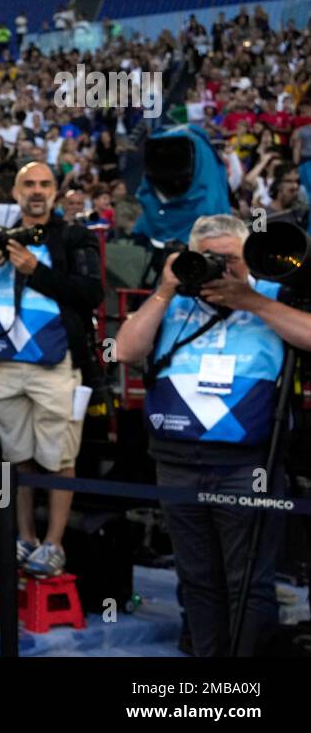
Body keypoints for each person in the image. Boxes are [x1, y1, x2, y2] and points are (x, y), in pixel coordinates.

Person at [114, 214, 311, 655]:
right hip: (177, 461)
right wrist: (165, 287)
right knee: (197, 581)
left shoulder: (273, 294)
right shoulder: (175, 301)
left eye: (232, 260)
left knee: (249, 584)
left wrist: (253, 301)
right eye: (210, 258)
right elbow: (125, 350)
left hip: (248, 465)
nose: (221, 268)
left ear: (252, 259)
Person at [0, 162, 103, 576]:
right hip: (8, 361)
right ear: (15, 190)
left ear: (55, 191)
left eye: (45, 184)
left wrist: (37, 271)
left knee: (60, 455)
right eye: (29, 183)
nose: (36, 190)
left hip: (57, 362)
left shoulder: (74, 236)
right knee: (17, 456)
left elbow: (90, 295)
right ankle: (25, 538)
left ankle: (54, 544)